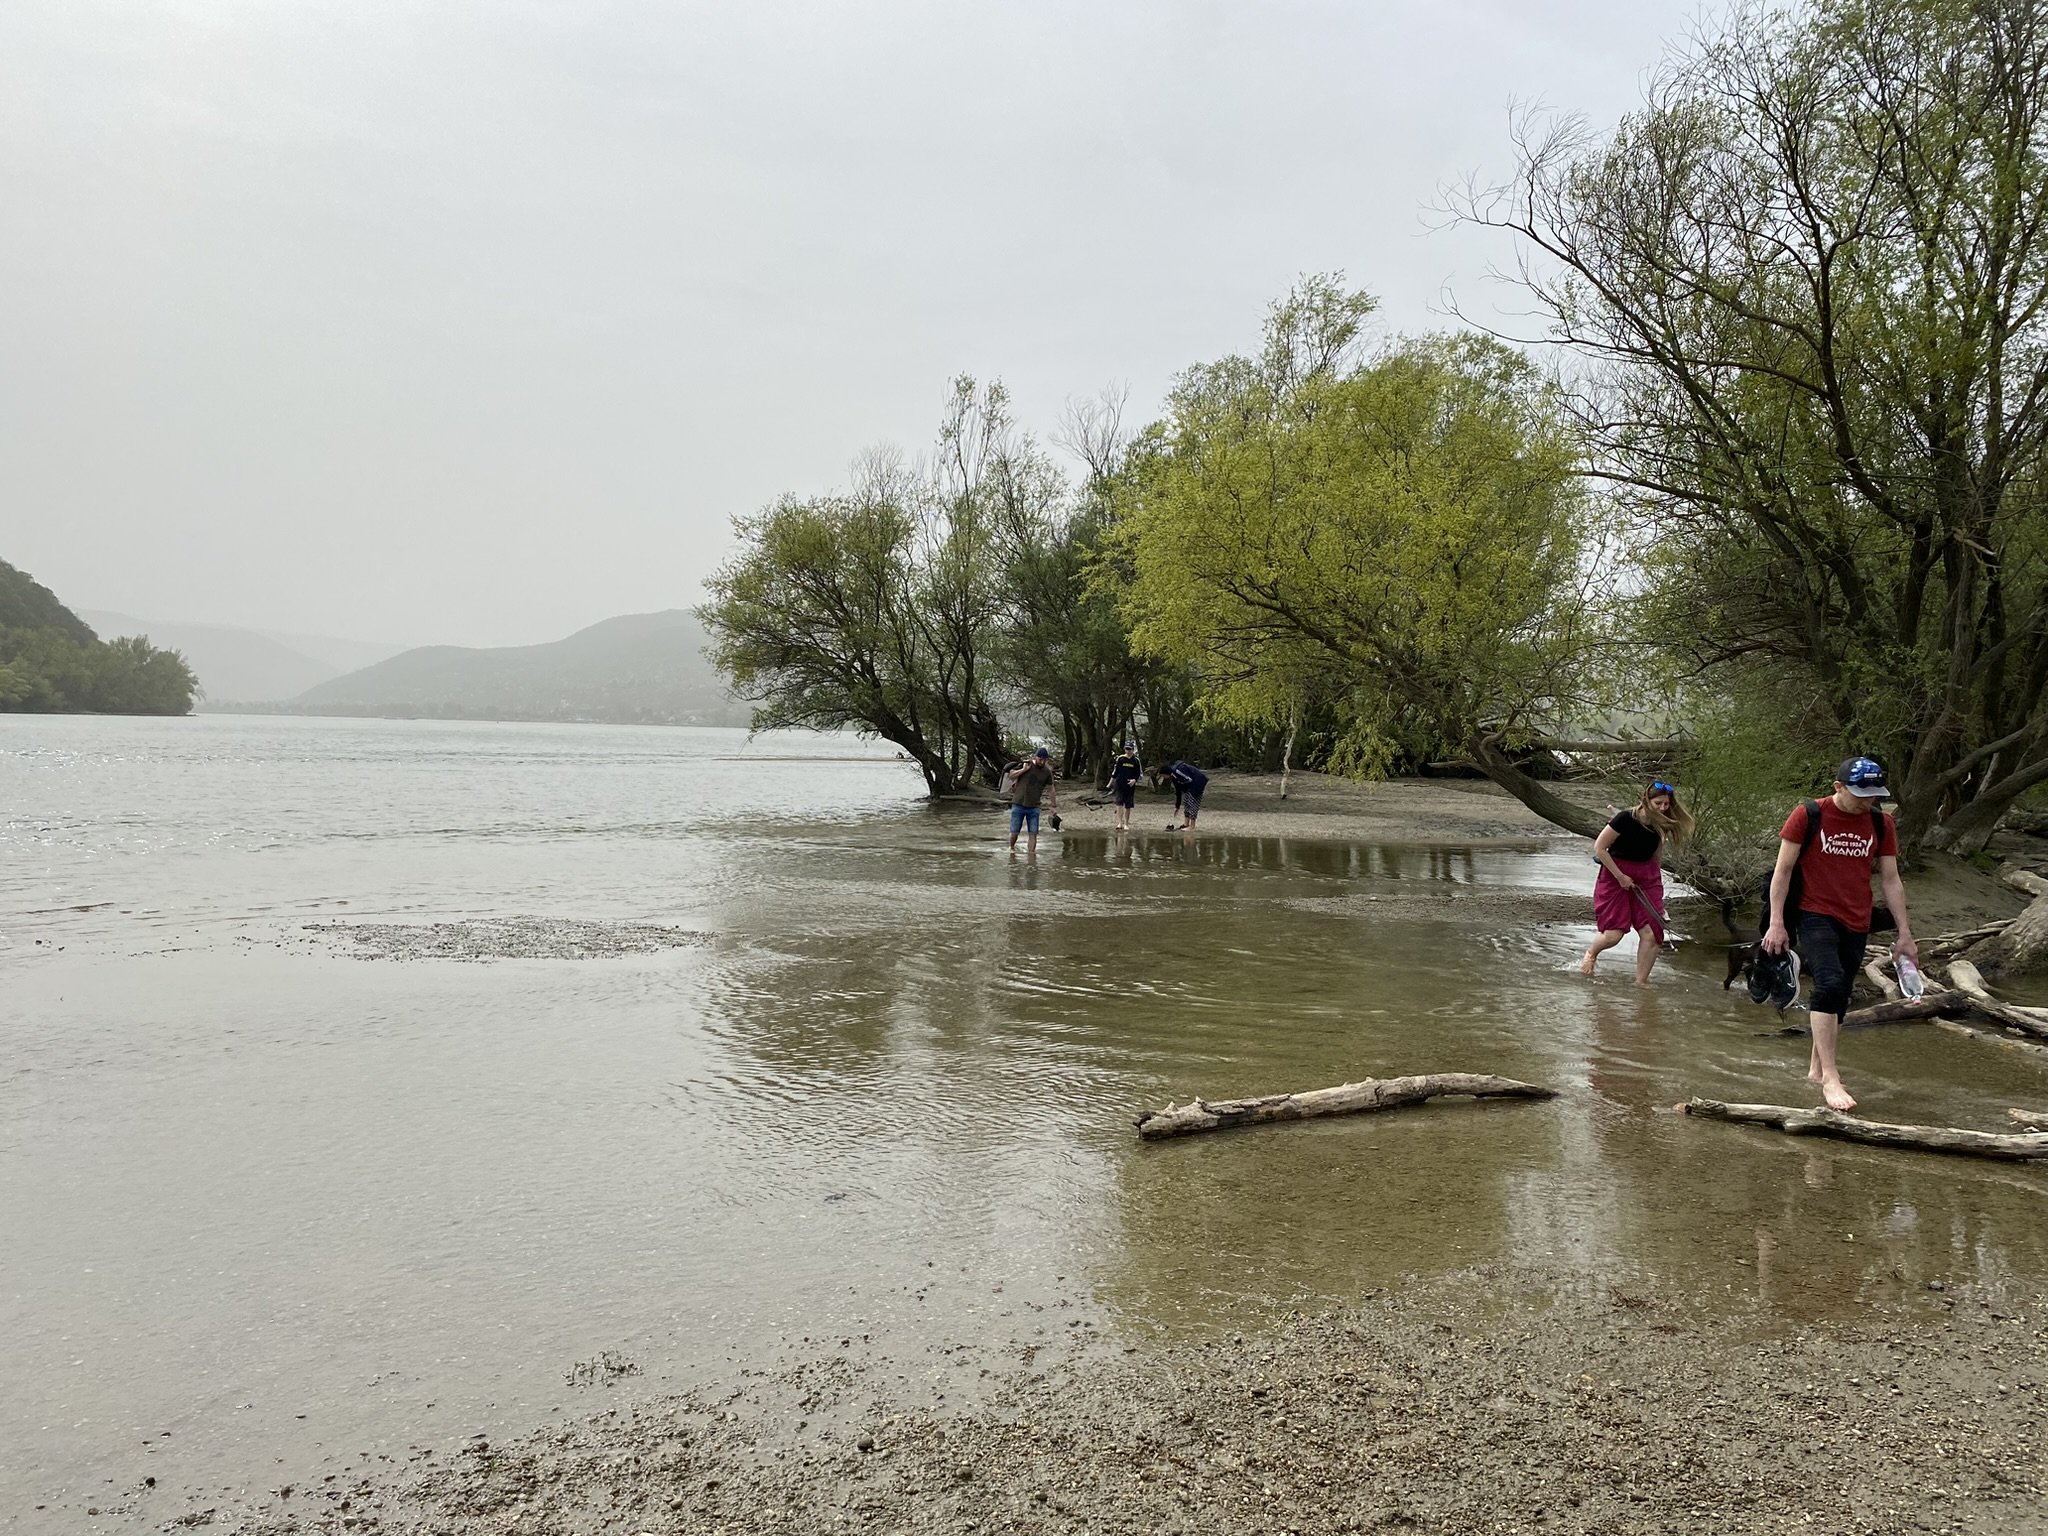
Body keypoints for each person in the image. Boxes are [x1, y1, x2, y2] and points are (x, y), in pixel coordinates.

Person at [1761, 756, 1918, 1112]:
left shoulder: (1881, 822)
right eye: (1860, 794)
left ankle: (1816, 1069)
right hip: (1814, 914)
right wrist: (1776, 922)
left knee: (1841, 994)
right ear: (1838, 787)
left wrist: (1905, 933)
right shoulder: (1808, 815)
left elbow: (1891, 879)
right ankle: (1832, 1077)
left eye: (1874, 795)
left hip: (1857, 918)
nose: (1867, 802)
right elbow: (1782, 872)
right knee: (1829, 984)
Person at [1580, 780, 1695, 984]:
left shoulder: (1662, 825)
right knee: (1613, 935)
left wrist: (1657, 894)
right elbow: (1599, 848)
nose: (1663, 808)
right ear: (1646, 800)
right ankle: (1591, 953)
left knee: (1652, 934)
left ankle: (1640, 983)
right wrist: (1621, 877)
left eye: (1666, 804)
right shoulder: (1624, 818)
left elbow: (1656, 858)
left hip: (1646, 877)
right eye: (1658, 803)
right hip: (1615, 875)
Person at [1003, 746, 1059, 857]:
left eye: (1044, 760)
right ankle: (1011, 850)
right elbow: (1010, 776)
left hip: (1034, 807)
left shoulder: (1047, 772)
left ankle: (1031, 856)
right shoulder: (1026, 765)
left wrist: (1053, 806)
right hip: (1018, 803)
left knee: (1033, 833)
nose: (1042, 762)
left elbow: (1051, 789)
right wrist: (1024, 770)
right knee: (1014, 832)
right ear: (1035, 757)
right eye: (1040, 759)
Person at [1105, 742, 1143, 832]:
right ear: (1124, 749)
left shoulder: (1136, 760)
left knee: (1128, 805)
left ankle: (1126, 823)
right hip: (1119, 785)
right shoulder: (1120, 759)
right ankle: (1120, 823)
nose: (1128, 751)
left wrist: (1134, 780)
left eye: (1130, 749)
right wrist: (1109, 784)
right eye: (1127, 749)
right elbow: (1115, 772)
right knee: (1119, 804)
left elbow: (1139, 774)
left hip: (1130, 786)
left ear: (1133, 749)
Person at [1165, 760, 1207, 829]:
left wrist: (1182, 784)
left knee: (1193, 803)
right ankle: (1186, 823)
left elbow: (1189, 779)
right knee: (1186, 802)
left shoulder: (1177, 771)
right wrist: (1177, 807)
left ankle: (1192, 826)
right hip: (1190, 786)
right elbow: (1178, 791)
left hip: (1197, 782)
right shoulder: (1173, 777)